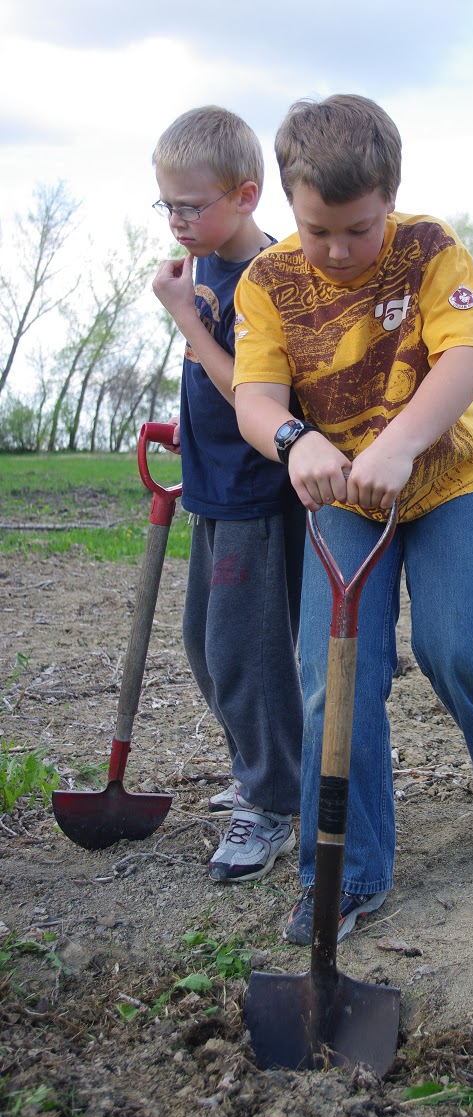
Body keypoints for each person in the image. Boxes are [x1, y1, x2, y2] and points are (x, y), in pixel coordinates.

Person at [233, 94, 473, 943]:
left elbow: (464, 359)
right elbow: (256, 397)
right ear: (290, 207)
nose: (340, 251)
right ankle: (345, 873)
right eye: (320, 231)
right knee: (334, 671)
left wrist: (401, 443)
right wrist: (292, 440)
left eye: (360, 228)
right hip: (346, 491)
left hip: (448, 479)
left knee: (457, 645)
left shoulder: (429, 248)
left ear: (392, 196)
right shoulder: (268, 280)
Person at [151, 105, 304, 883]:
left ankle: (275, 801)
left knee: (243, 653)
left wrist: (185, 322)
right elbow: (207, 389)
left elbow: (248, 389)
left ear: (246, 196)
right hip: (212, 486)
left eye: (191, 204)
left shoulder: (269, 277)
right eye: (166, 204)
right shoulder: (205, 263)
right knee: (201, 645)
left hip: (258, 491)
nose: (177, 220)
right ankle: (261, 766)